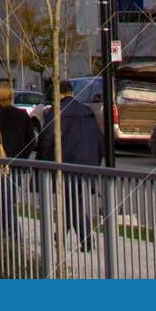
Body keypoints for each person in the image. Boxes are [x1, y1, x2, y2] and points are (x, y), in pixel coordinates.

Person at [36, 79, 105, 251]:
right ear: (72, 93)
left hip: (66, 163)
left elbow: (47, 139)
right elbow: (99, 141)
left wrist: (43, 162)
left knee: (72, 201)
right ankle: (60, 235)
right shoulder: (87, 112)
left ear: (58, 94)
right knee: (72, 199)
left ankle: (86, 238)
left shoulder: (56, 112)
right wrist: (95, 161)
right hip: (86, 164)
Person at [0, 81, 37, 256]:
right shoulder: (22, 115)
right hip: (18, 163)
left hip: (0, 164)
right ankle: (3, 229)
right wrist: (22, 156)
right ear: (12, 96)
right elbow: (31, 140)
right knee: (9, 197)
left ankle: (13, 234)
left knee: (5, 198)